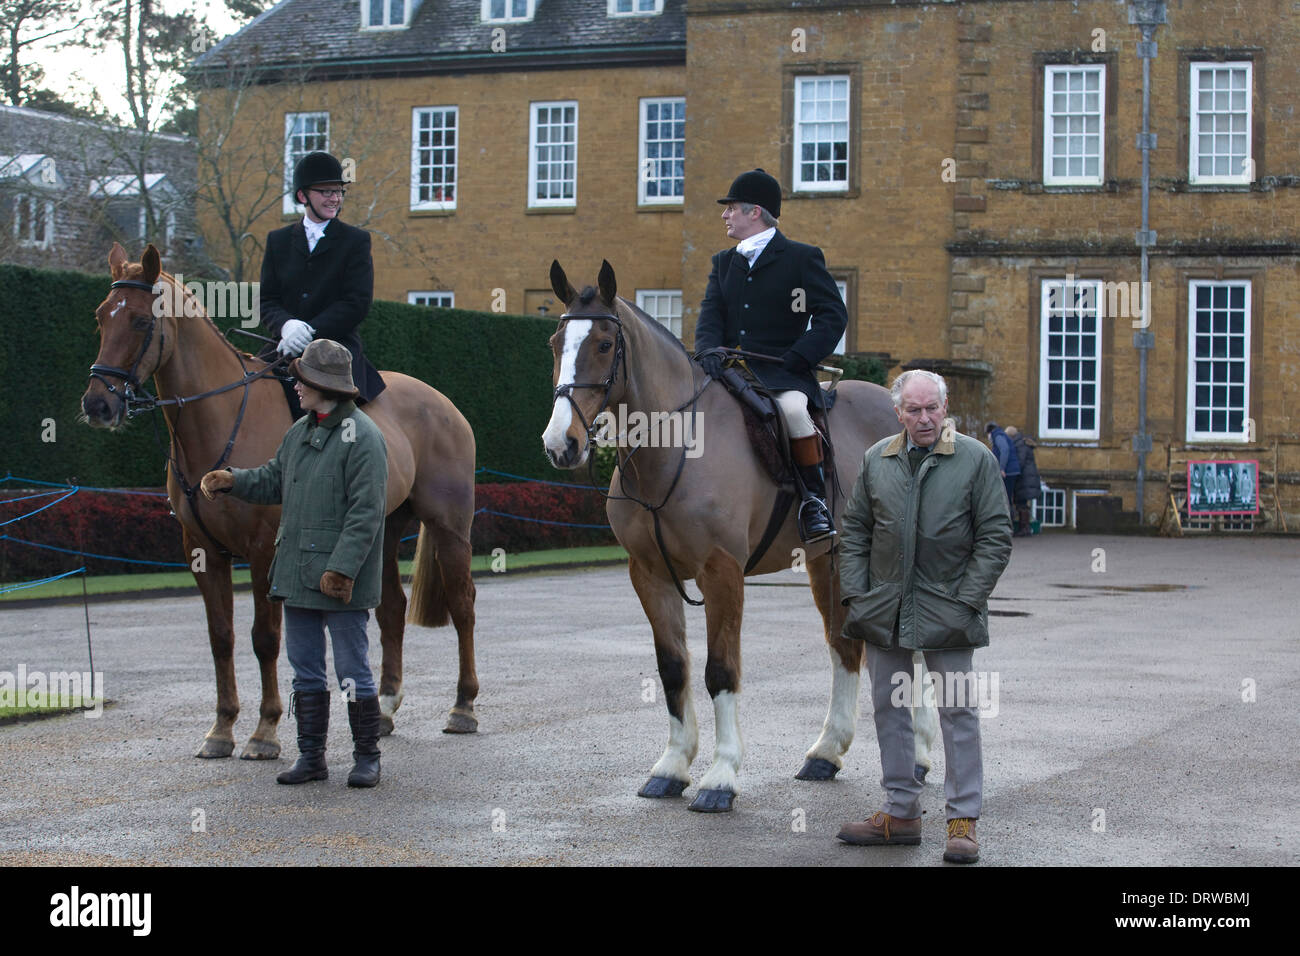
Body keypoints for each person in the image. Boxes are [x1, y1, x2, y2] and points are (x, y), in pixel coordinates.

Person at [836, 370, 1012, 863]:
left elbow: (996, 537)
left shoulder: (975, 459)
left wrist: (966, 600)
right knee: (890, 710)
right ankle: (900, 813)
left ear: (945, 405)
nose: (924, 418)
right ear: (898, 413)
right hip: (885, 609)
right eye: (913, 410)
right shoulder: (877, 459)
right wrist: (858, 595)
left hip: (949, 608)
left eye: (932, 408)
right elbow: (855, 535)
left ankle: (962, 821)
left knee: (957, 713)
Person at [200, 339, 389, 788]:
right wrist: (233, 480)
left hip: (340, 581)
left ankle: (367, 757)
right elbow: (272, 479)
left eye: (301, 379)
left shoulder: (364, 437)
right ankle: (312, 758)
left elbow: (366, 514)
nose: (295, 385)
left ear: (323, 384)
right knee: (305, 669)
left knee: (352, 671)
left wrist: (342, 570)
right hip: (298, 575)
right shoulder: (299, 431)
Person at [693, 168, 848, 544]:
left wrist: (801, 353)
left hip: (783, 371)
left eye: (730, 208)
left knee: (794, 412)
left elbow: (833, 315)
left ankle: (814, 502)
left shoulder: (800, 258)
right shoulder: (723, 262)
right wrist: (708, 349)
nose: (724, 215)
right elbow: (711, 314)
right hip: (728, 370)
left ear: (754, 212)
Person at [260, 151, 385, 419]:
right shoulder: (277, 241)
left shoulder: (355, 241)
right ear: (303, 196)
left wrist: (310, 330)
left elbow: (357, 302)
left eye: (339, 192)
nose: (335, 198)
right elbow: (267, 300)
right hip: (284, 347)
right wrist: (287, 326)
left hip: (335, 349)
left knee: (330, 409)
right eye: (327, 192)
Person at [1004, 425, 1041, 537]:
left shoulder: (1020, 445)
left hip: (1024, 478)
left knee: (1021, 503)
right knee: (1022, 503)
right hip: (1027, 477)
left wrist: (1011, 469)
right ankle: (1024, 527)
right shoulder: (1022, 442)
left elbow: (1020, 461)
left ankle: (1025, 528)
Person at [985, 421, 1020, 513]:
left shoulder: (997, 436)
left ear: (989, 432)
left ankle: (1008, 521)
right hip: (1011, 470)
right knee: (1007, 498)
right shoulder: (1001, 434)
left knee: (1005, 499)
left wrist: (1001, 468)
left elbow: (1004, 450)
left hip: (1008, 472)